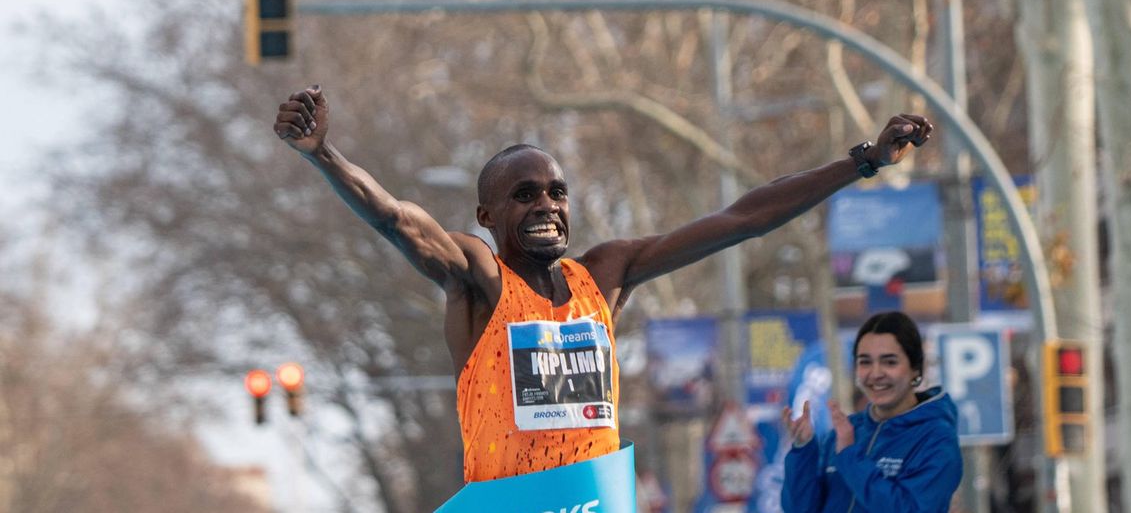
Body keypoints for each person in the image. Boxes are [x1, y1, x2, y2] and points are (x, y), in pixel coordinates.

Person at [273, 85, 933, 484]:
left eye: (557, 192)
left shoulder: (606, 274)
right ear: (486, 216)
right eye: (524, 194)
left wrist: (864, 161)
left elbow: (743, 218)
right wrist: (324, 155)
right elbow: (397, 220)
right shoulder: (480, 279)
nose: (546, 205)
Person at [780, 310, 963, 513]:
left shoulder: (935, 439)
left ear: (916, 369)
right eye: (865, 362)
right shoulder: (845, 433)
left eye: (889, 362)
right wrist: (803, 450)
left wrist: (850, 457)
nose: (875, 374)